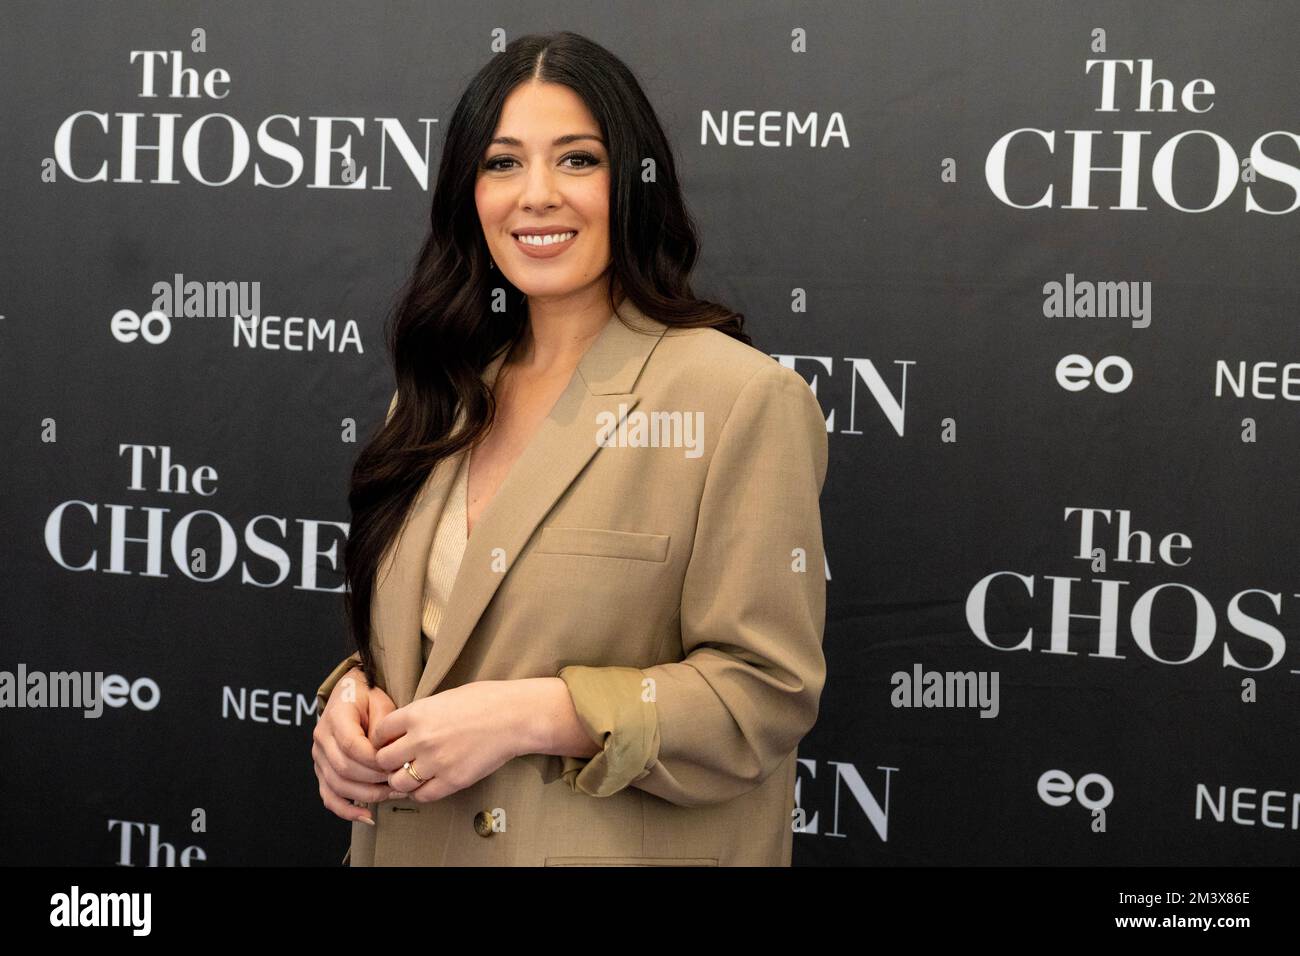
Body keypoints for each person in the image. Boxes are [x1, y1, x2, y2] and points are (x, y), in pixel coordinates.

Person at [310, 30, 828, 866]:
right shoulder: (438, 391)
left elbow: (763, 697)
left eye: (578, 160)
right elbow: (455, 633)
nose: (536, 195)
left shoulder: (737, 399)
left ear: (635, 182)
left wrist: (532, 715)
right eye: (503, 163)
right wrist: (351, 703)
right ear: (466, 194)